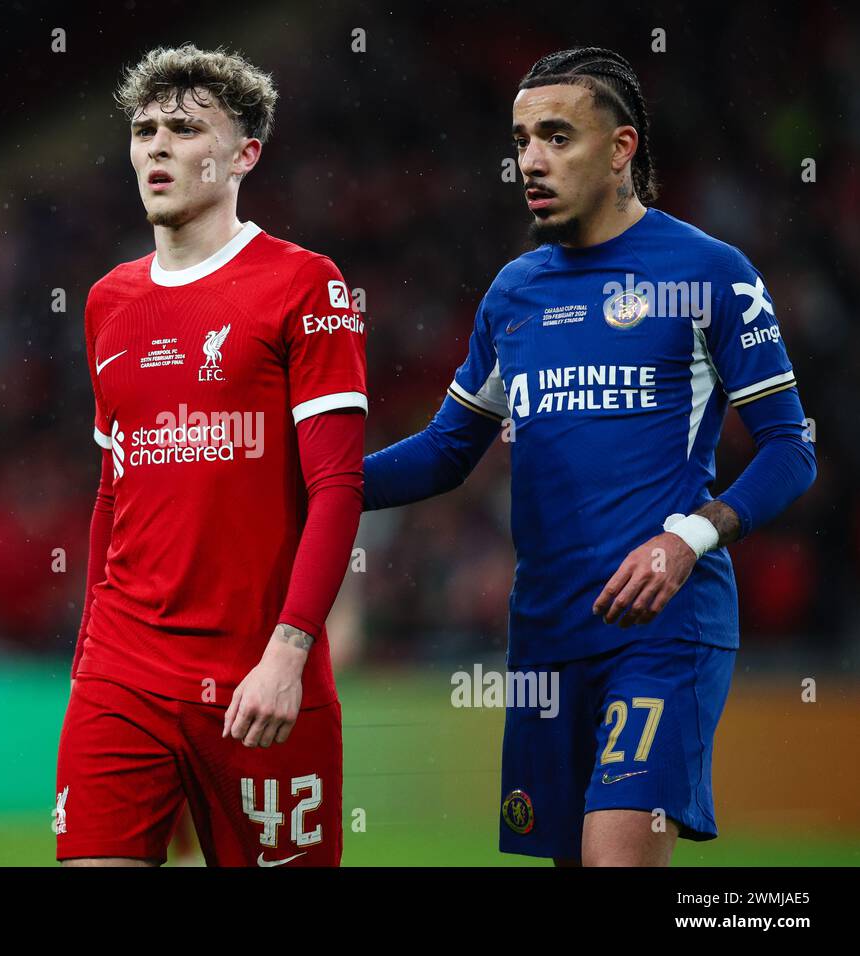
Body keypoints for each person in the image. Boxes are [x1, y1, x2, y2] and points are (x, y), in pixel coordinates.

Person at [363, 47, 816, 866]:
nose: (531, 159)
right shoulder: (514, 294)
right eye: (521, 139)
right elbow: (443, 452)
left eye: (558, 136)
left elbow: (792, 448)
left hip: (664, 626)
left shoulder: (709, 273)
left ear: (622, 149)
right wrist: (309, 485)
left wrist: (689, 540)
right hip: (544, 638)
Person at [56, 44, 368, 867]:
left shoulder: (306, 285)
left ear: (243, 156)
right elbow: (111, 496)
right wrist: (90, 652)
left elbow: (337, 488)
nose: (157, 146)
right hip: (121, 672)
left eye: (186, 129)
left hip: (256, 672)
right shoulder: (107, 303)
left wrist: (289, 651)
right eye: (145, 128)